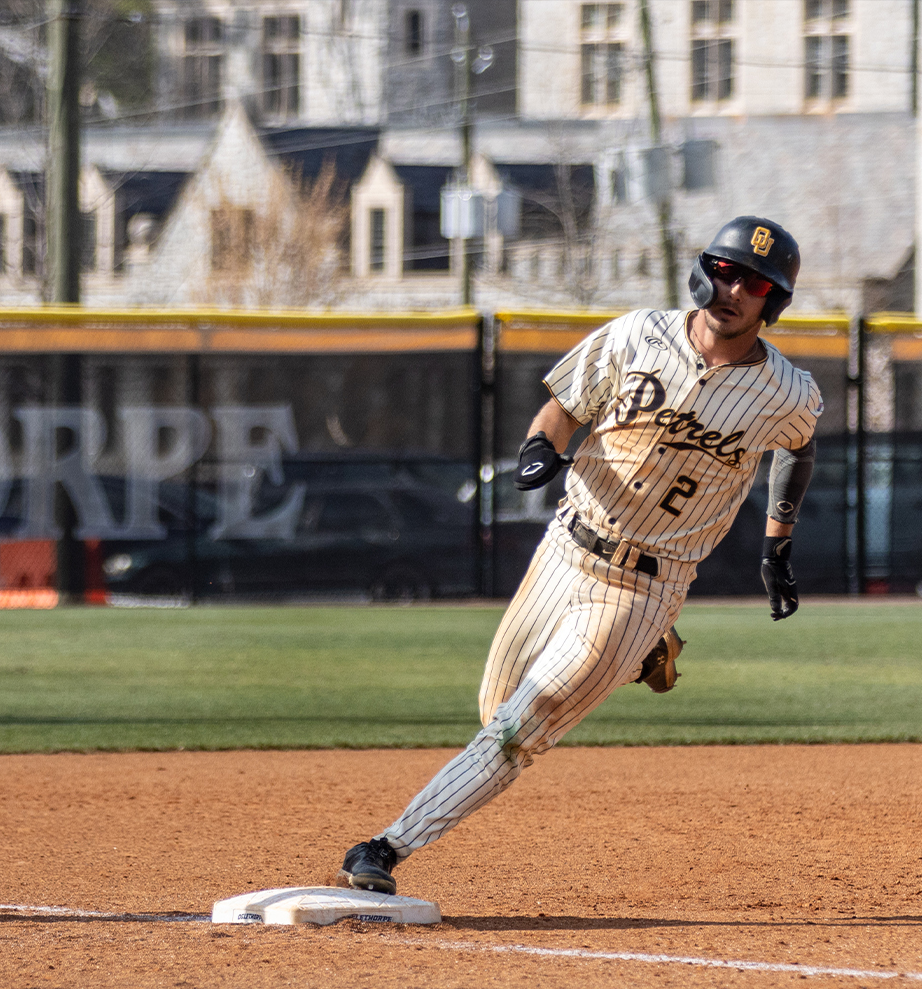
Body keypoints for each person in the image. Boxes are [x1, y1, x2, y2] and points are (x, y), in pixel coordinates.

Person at [339, 216, 822, 895]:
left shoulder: (786, 391)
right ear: (704, 270)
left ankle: (383, 849)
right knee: (495, 711)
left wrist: (777, 545)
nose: (733, 289)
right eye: (726, 270)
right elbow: (563, 407)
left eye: (753, 283)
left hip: (644, 581)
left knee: (520, 730)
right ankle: (650, 651)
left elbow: (798, 446)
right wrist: (540, 446)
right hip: (564, 547)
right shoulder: (636, 335)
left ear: (772, 302)